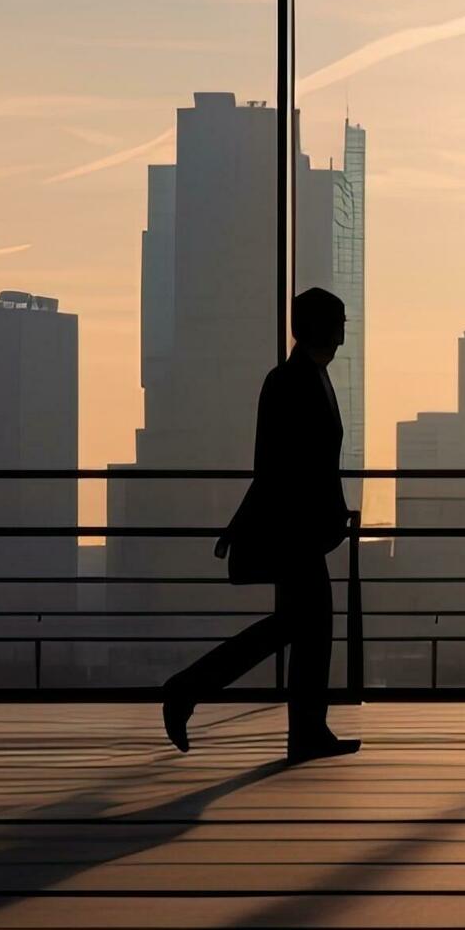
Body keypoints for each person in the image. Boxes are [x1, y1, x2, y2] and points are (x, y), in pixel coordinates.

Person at [162, 286, 360, 762]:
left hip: (303, 528)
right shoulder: (291, 382)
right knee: (306, 626)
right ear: (321, 327)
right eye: (340, 321)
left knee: (301, 626)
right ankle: (190, 690)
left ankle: (300, 728)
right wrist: (244, 521)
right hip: (295, 529)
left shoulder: (308, 377)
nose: (344, 331)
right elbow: (273, 465)